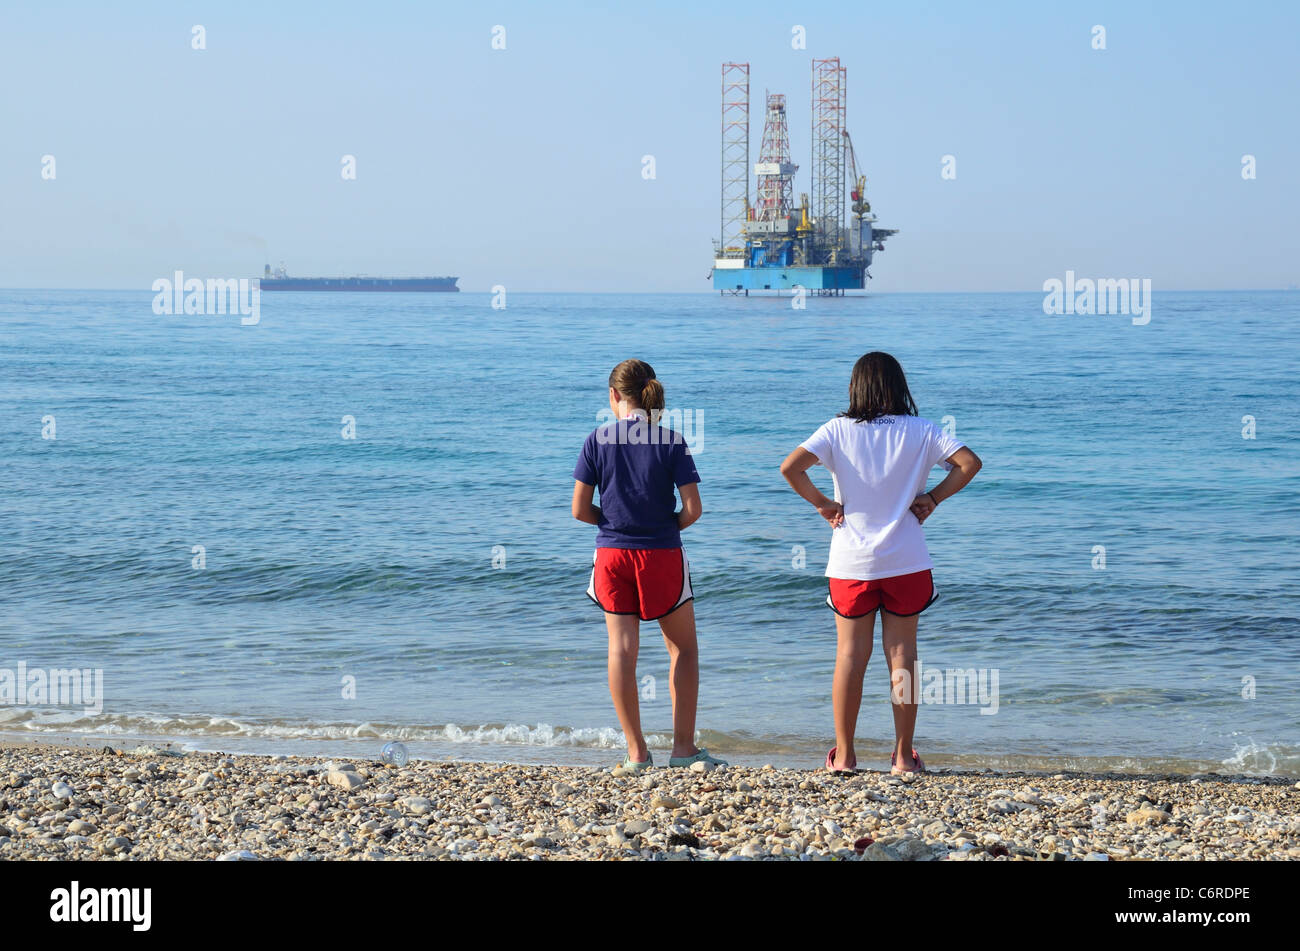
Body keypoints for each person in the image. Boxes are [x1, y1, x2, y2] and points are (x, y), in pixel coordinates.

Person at [779, 352, 981, 775]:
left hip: (851, 561)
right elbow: (969, 464)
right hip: (906, 558)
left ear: (856, 387)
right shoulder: (922, 430)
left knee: (851, 654)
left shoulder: (837, 430)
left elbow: (791, 468)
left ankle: (845, 756)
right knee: (903, 655)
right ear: (898, 386)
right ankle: (904, 757)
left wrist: (823, 504)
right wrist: (933, 498)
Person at [572, 359, 726, 774]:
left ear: (614, 396)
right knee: (683, 648)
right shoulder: (672, 441)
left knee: (621, 650)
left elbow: (579, 509)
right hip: (661, 554)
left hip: (612, 555)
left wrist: (614, 522)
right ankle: (682, 749)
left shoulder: (596, 440)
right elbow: (693, 509)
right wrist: (662, 527)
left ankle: (637, 753)